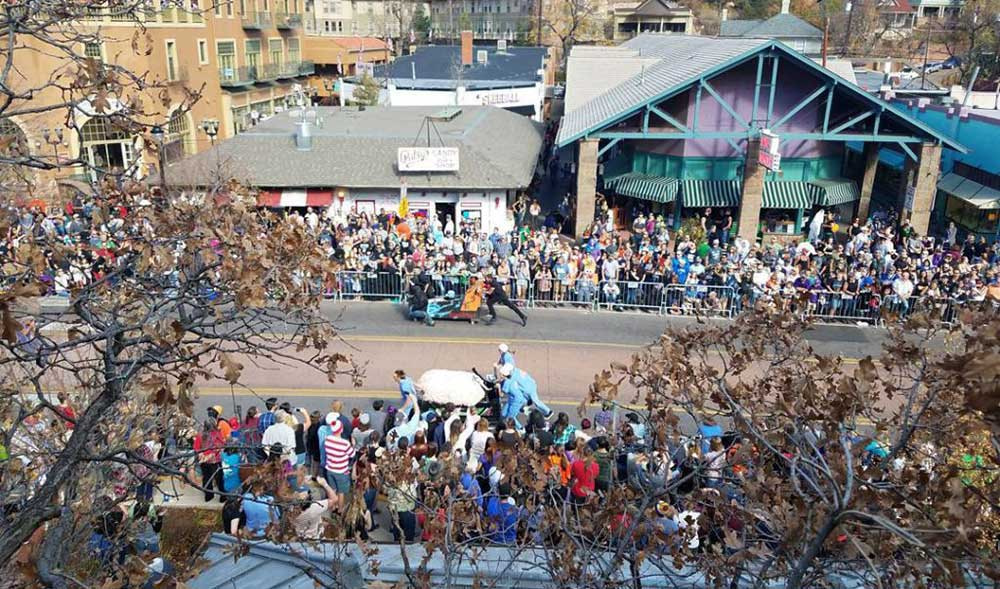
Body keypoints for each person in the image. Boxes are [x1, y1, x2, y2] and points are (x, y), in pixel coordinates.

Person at [194, 419, 224, 502]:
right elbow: (220, 446)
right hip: (215, 460)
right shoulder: (217, 434)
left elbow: (196, 448)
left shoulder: (200, 435)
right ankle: (223, 496)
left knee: (206, 478)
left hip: (204, 461)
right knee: (219, 479)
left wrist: (202, 455)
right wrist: (212, 454)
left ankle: (208, 496)